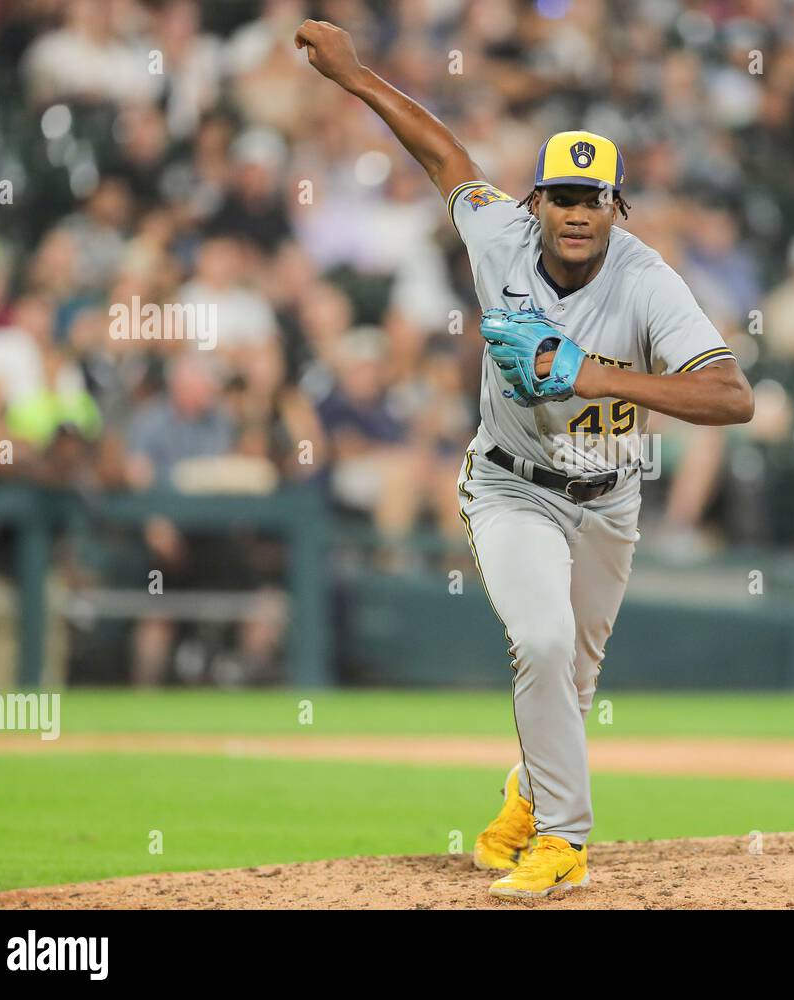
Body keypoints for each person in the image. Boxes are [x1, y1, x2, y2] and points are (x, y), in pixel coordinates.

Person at [295, 19, 754, 899]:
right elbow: (443, 155)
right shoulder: (499, 235)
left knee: (573, 679)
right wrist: (357, 78)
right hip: (509, 484)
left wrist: (596, 375)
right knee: (540, 641)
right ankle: (564, 839)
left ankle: (524, 794)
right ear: (535, 201)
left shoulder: (647, 281)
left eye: (595, 199)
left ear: (618, 209)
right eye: (562, 196)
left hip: (612, 498)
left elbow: (733, 396)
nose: (578, 213)